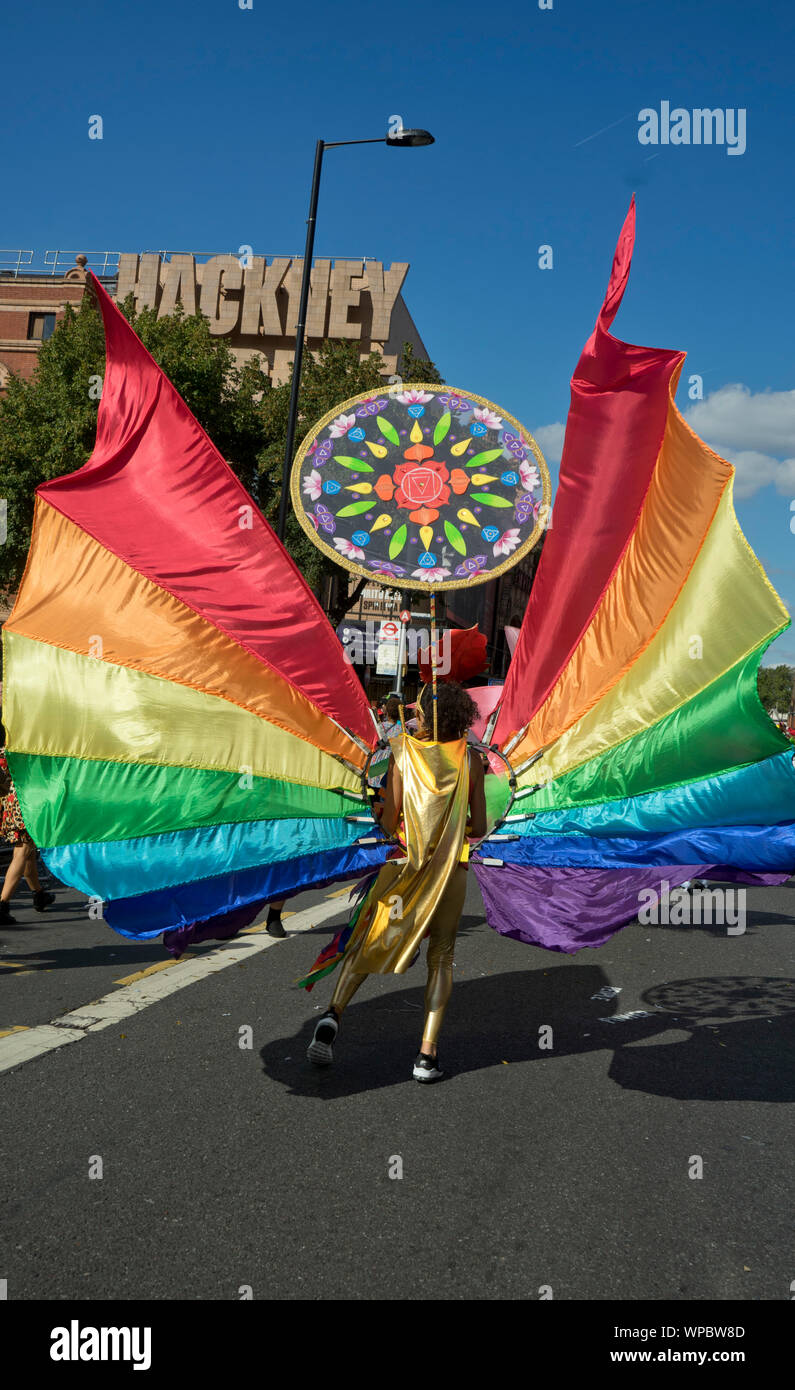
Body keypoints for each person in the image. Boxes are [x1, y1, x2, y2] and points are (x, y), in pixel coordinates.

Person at [304, 681, 487, 1083]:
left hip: (403, 866)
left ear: (428, 715)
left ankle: (333, 1014)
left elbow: (390, 822)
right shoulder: (473, 762)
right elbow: (481, 825)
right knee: (441, 956)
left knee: (369, 940)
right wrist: (454, 825)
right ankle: (426, 1056)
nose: (415, 716)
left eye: (419, 710)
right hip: (450, 875)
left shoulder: (402, 753)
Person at [0, 732, 56, 924]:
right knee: (22, 853)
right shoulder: (26, 748)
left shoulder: (7, 750)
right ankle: (3, 904)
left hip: (14, 802)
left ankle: (39, 894)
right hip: (27, 804)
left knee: (28, 854)